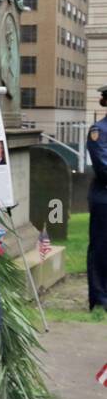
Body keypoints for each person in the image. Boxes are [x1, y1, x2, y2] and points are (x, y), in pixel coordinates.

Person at [88, 87, 107, 312]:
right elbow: (103, 167)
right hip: (104, 199)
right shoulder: (99, 131)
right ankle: (101, 298)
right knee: (102, 249)